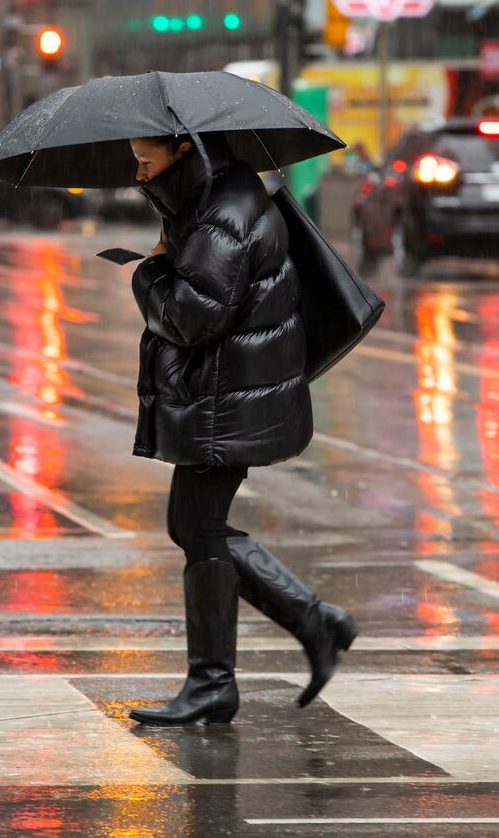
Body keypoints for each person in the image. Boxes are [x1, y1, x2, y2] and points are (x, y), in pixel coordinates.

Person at [125, 132, 357, 726]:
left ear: (183, 151)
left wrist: (149, 273)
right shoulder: (218, 201)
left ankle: (232, 669)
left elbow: (191, 315)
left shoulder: (221, 216)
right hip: (227, 391)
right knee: (195, 525)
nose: (138, 172)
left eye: (146, 161)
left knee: (196, 527)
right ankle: (281, 640)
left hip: (226, 397)